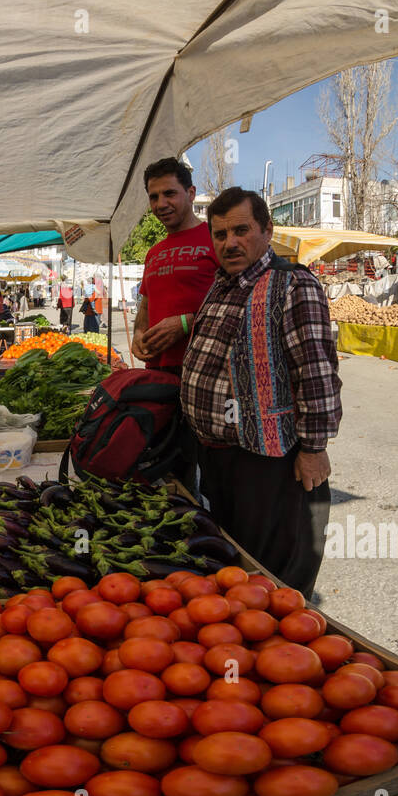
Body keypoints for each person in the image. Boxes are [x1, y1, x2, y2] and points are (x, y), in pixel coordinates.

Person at [179, 187, 339, 593]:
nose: (229, 242)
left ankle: (283, 647)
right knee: (237, 560)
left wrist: (314, 448)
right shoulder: (222, 284)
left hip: (268, 465)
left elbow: (317, 373)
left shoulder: (293, 285)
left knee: (273, 576)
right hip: (219, 459)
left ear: (267, 231)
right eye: (219, 234)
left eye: (241, 230)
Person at [132, 157, 217, 371]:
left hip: (205, 373)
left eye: (169, 193)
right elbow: (146, 302)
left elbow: (242, 303)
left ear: (191, 193)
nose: (161, 204)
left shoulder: (218, 240)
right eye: (154, 197)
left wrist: (187, 323)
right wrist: (138, 333)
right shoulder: (153, 252)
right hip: (158, 374)